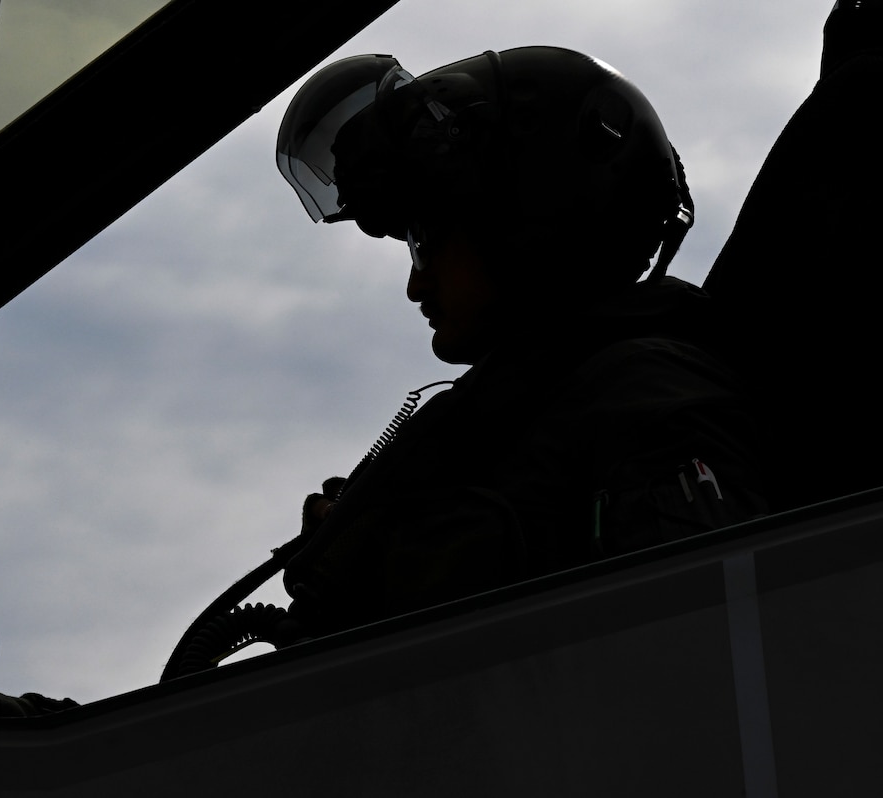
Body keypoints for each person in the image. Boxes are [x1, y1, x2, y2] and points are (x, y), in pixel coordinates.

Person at [273, 46, 768, 637]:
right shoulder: (515, 423)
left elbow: (703, 650)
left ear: (523, 218)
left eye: (425, 239)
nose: (414, 284)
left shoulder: (650, 402)